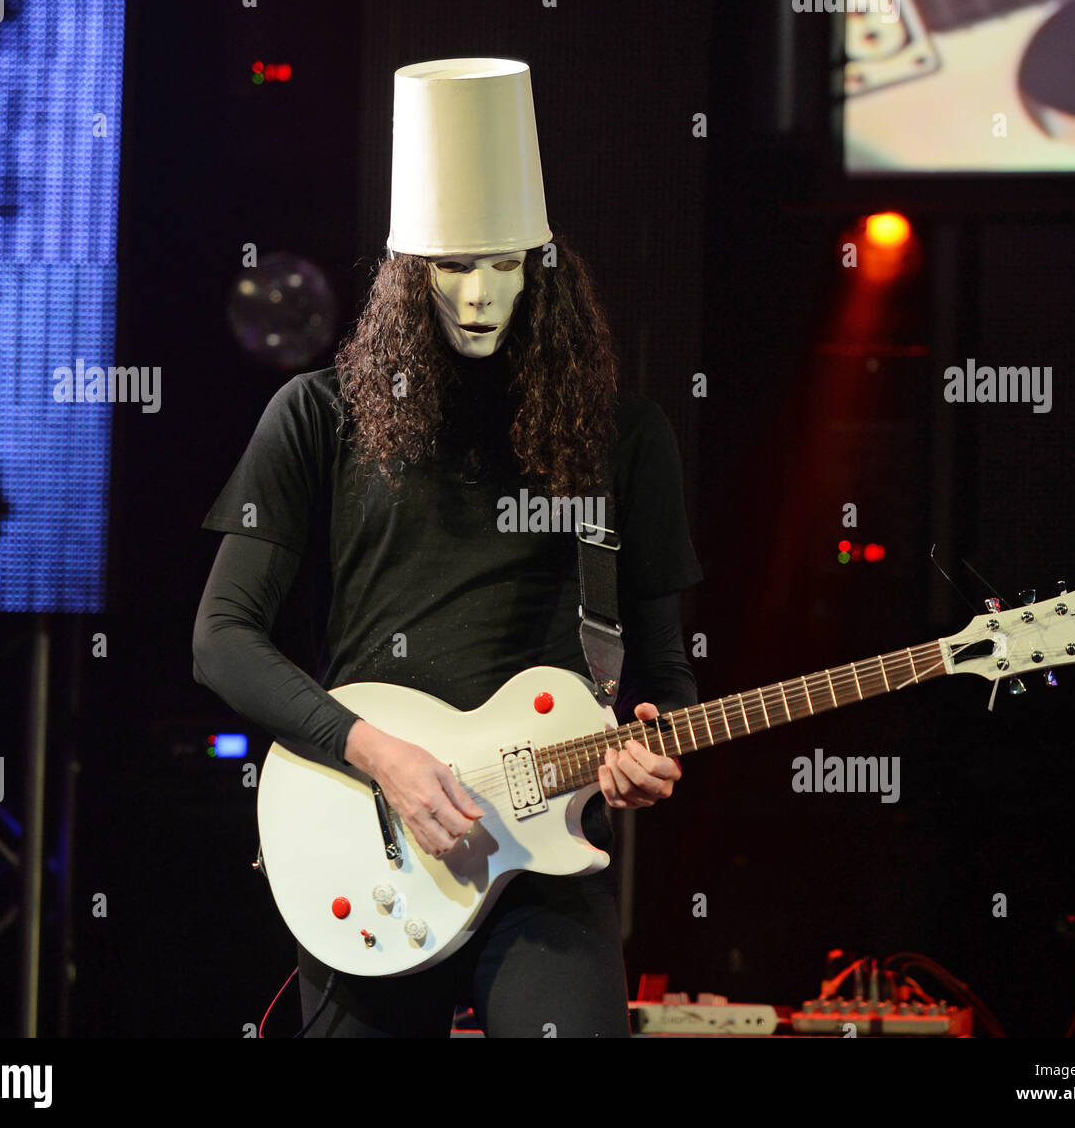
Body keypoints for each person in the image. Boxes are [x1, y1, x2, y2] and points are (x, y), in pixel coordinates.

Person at [191, 58, 701, 1037]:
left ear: (542, 271)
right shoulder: (316, 418)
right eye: (450, 267)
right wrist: (377, 753)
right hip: (373, 839)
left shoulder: (624, 442)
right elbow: (221, 635)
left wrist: (651, 747)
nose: (476, 295)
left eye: (502, 264)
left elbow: (666, 672)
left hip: (546, 862)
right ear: (403, 276)